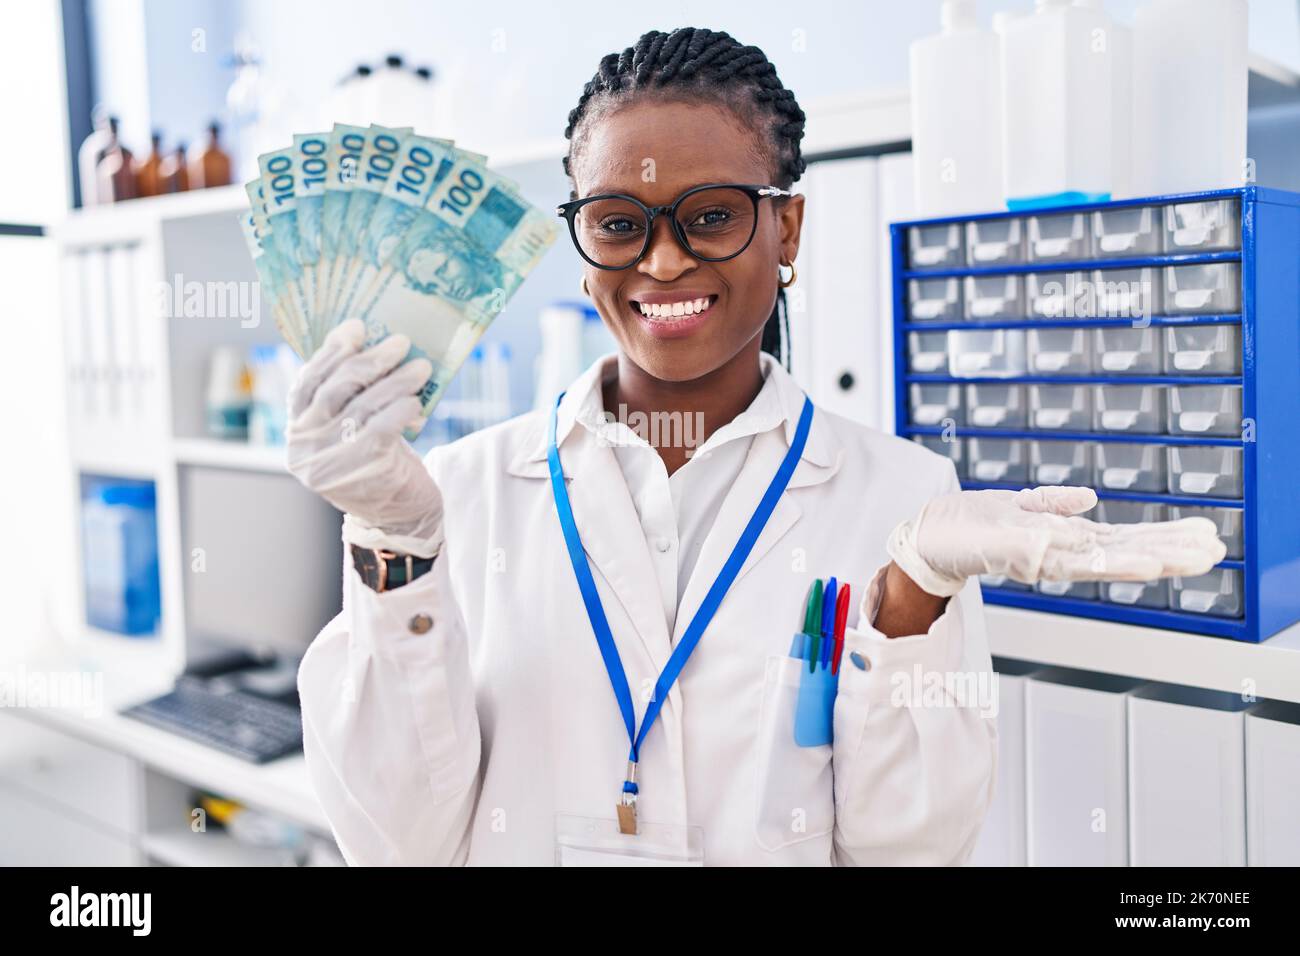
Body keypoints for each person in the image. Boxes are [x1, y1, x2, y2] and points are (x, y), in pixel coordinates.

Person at [289, 27, 1224, 866]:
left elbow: (912, 854)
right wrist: (395, 548)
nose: (661, 262)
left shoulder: (904, 493)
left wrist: (907, 603)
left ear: (787, 229)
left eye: (712, 215)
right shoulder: (452, 498)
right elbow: (396, 843)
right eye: (619, 223)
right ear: (582, 251)